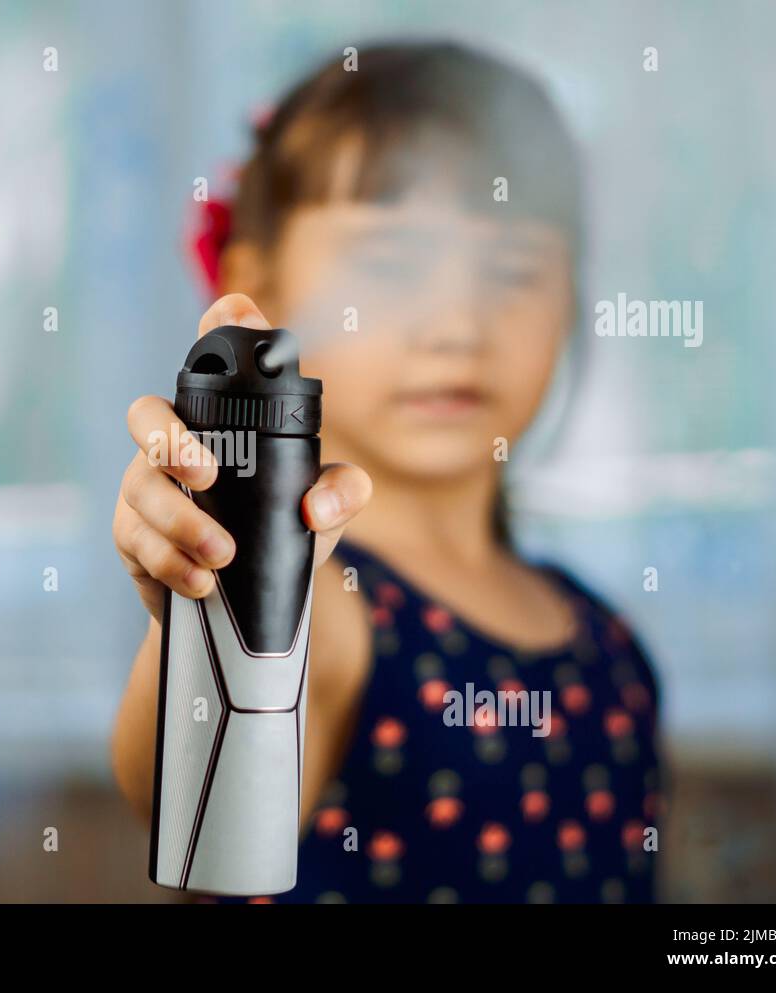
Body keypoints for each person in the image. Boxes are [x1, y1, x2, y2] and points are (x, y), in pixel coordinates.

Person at [111, 42, 662, 903]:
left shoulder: (608, 636)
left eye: (512, 272)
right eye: (393, 268)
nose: (455, 324)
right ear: (258, 287)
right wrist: (205, 588)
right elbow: (166, 789)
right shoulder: (319, 608)